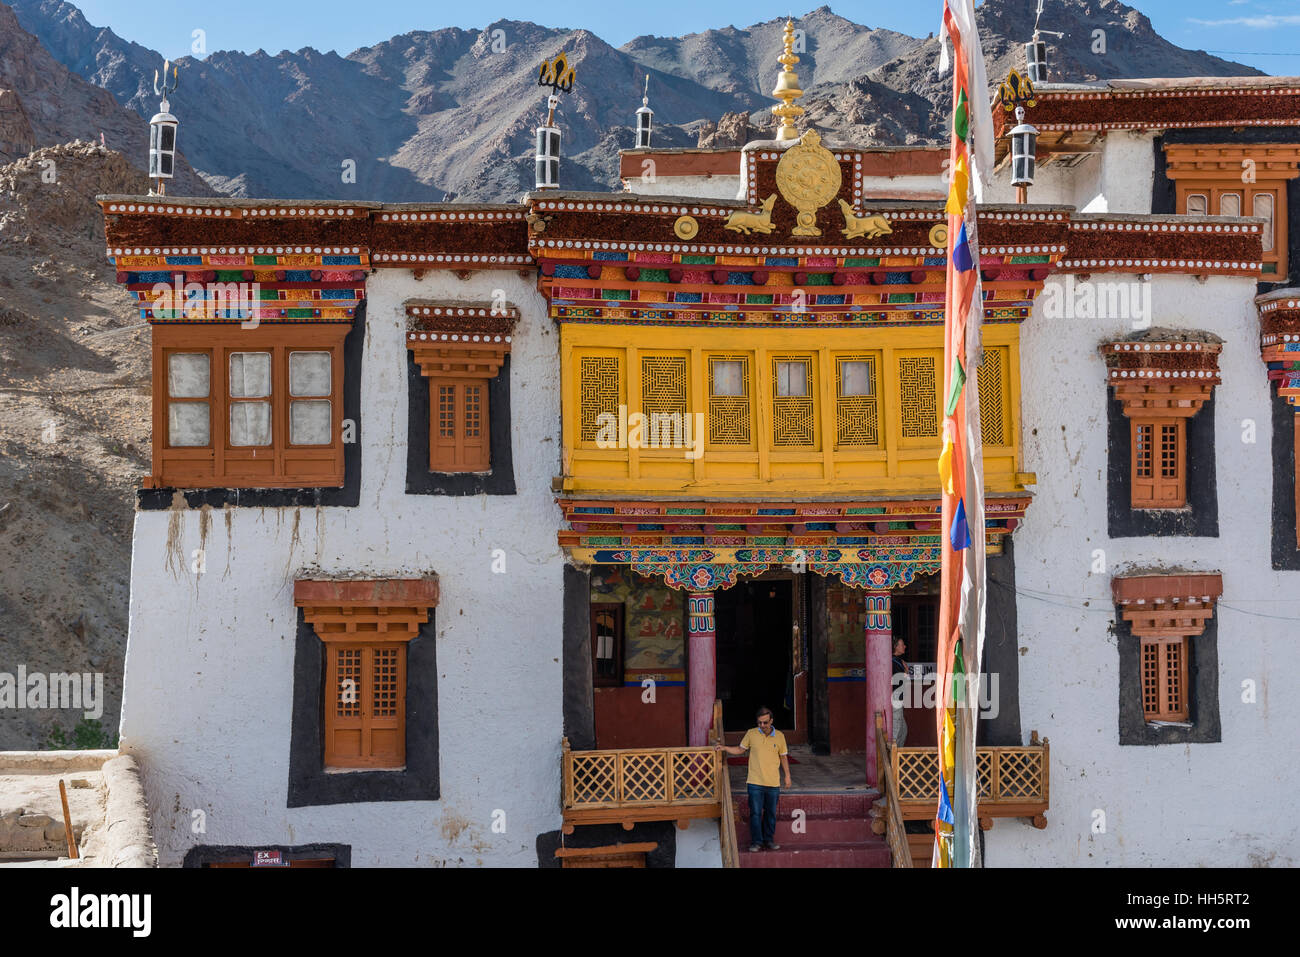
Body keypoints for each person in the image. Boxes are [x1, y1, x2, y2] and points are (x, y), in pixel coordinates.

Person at [717, 705, 791, 852]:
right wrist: (725, 748)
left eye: (765, 722)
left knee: (770, 814)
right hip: (755, 782)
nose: (762, 725)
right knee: (755, 814)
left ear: (771, 721)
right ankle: (756, 842)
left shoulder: (780, 736)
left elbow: (783, 757)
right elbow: (740, 749)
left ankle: (769, 840)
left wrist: (787, 776)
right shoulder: (751, 733)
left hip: (773, 783)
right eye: (759, 722)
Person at [891, 637, 909, 747]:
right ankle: (892, 755)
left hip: (898, 700)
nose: (905, 646)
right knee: (897, 731)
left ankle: (897, 754)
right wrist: (906, 672)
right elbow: (899, 681)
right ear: (896, 647)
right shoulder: (893, 662)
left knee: (903, 731)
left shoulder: (898, 661)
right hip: (895, 699)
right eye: (902, 645)